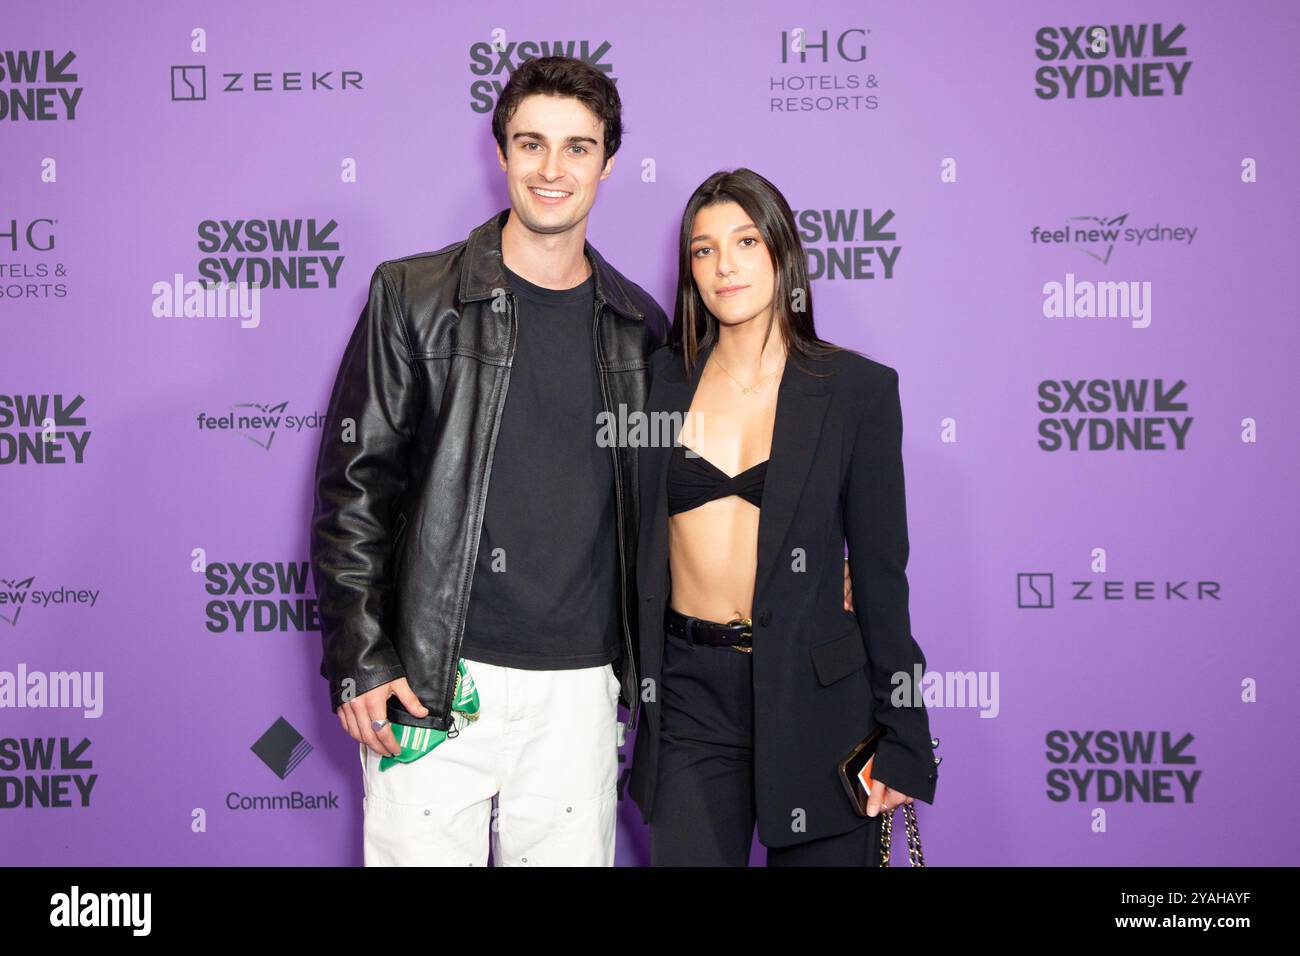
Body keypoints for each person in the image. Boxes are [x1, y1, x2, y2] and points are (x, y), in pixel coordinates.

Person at [310, 55, 667, 866]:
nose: (552, 168)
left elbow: (675, 503)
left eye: (578, 148)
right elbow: (354, 488)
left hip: (580, 694)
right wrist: (362, 660)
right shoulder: (414, 295)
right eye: (531, 143)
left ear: (608, 164)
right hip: (433, 679)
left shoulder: (639, 328)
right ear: (500, 153)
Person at [627, 168, 940, 866]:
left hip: (820, 701)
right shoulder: (654, 386)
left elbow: (884, 580)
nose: (724, 265)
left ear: (782, 253)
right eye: (703, 249)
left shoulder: (856, 391)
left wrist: (906, 737)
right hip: (689, 698)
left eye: (744, 241)